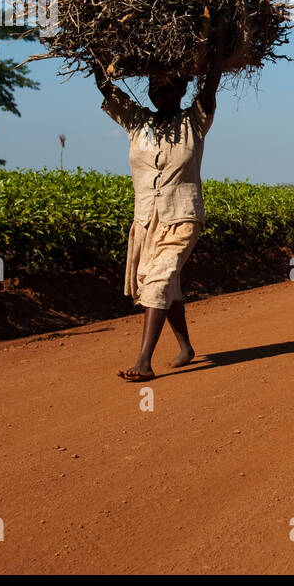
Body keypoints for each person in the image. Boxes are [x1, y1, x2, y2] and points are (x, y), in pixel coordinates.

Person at [94, 24, 228, 382]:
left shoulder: (195, 122)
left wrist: (217, 51)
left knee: (157, 281)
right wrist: (94, 51)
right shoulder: (137, 122)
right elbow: (107, 88)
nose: (158, 93)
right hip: (146, 220)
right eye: (153, 88)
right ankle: (185, 346)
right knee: (164, 284)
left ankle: (143, 361)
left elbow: (210, 88)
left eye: (167, 87)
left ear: (182, 89)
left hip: (182, 217)